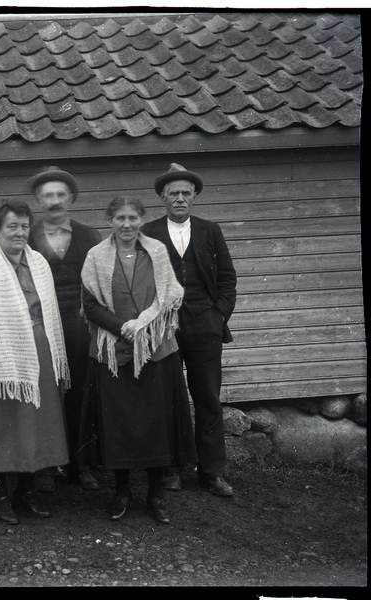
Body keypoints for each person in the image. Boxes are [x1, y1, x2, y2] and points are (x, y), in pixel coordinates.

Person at [78, 196, 197, 524]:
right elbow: (90, 306)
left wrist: (143, 323)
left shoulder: (157, 251)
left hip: (157, 352)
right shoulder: (96, 256)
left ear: (141, 220)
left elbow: (170, 297)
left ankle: (156, 494)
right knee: (120, 427)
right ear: (110, 220)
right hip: (113, 354)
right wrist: (123, 328)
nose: (127, 224)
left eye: (132, 218)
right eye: (119, 218)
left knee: (156, 425)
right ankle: (122, 492)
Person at [0, 201, 71, 525]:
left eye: (24, 226)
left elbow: (49, 314)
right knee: (1, 427)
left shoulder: (39, 265)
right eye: (12, 226)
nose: (19, 233)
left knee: (33, 424)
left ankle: (26, 489)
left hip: (39, 355)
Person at [140, 164, 237, 498]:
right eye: (173, 193)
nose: (179, 198)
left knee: (208, 398)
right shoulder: (148, 231)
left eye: (185, 193)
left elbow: (227, 279)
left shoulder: (211, 231)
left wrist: (217, 316)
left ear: (194, 197)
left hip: (204, 326)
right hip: (163, 327)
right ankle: (170, 470)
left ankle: (211, 473)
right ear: (162, 198)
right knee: (167, 397)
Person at [25, 166, 103, 491]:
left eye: (60, 194)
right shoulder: (26, 236)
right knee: (44, 394)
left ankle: (81, 466)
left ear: (70, 198)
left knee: (81, 395)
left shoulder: (90, 236)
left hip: (81, 328)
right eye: (48, 195)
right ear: (38, 200)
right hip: (41, 329)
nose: (54, 201)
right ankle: (45, 466)